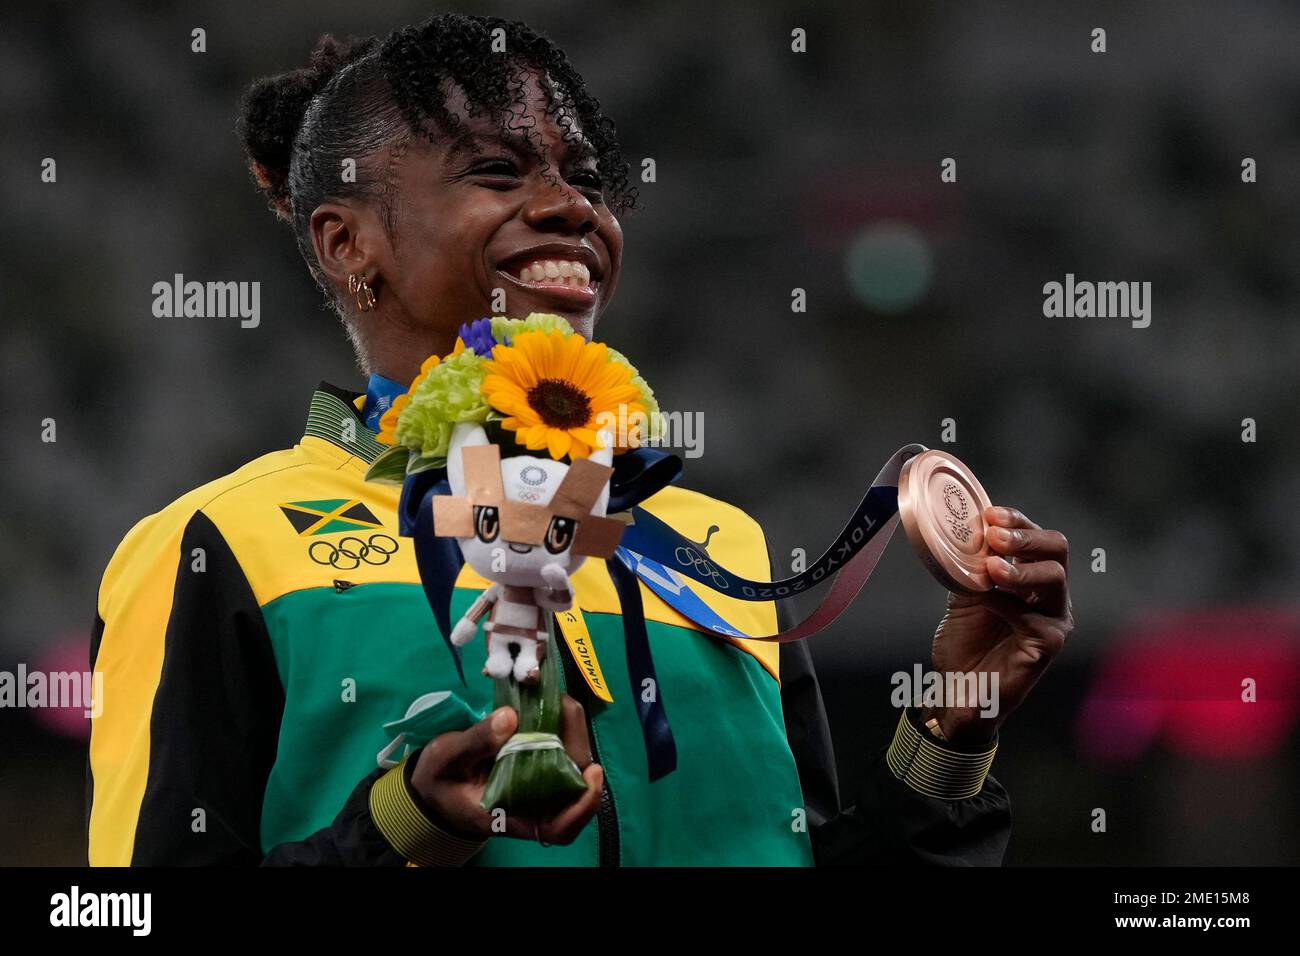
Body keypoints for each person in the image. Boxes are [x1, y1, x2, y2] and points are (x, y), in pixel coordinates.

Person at [86, 12, 1072, 866]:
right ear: (351, 243)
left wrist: (955, 716)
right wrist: (401, 825)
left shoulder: (718, 550)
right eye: (496, 170)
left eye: (587, 179)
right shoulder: (224, 545)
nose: (573, 207)